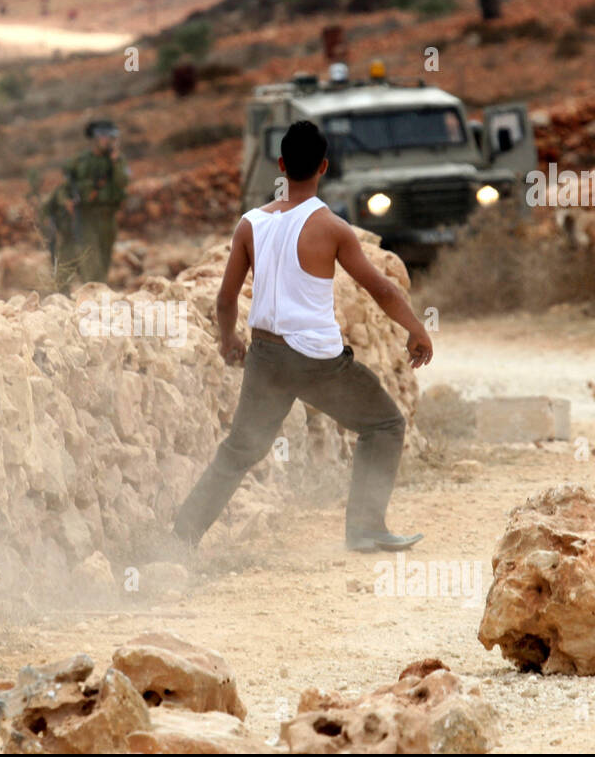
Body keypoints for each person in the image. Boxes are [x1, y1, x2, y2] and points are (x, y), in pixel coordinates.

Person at [173, 121, 433, 553]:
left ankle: (182, 537)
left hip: (265, 358)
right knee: (385, 424)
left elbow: (225, 300)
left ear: (280, 166)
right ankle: (366, 528)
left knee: (238, 450)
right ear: (324, 167)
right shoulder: (331, 227)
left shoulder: (249, 224)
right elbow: (381, 289)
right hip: (316, 361)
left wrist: (228, 341)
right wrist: (417, 328)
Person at [37, 119, 129, 287]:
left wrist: (115, 162)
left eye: (111, 137)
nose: (107, 141)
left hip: (108, 218)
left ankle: (98, 290)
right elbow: (64, 187)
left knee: (104, 257)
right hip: (87, 217)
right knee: (90, 258)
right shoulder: (81, 161)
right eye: (103, 137)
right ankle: (94, 292)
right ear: (95, 139)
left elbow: (123, 182)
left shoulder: (117, 161)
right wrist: (66, 202)